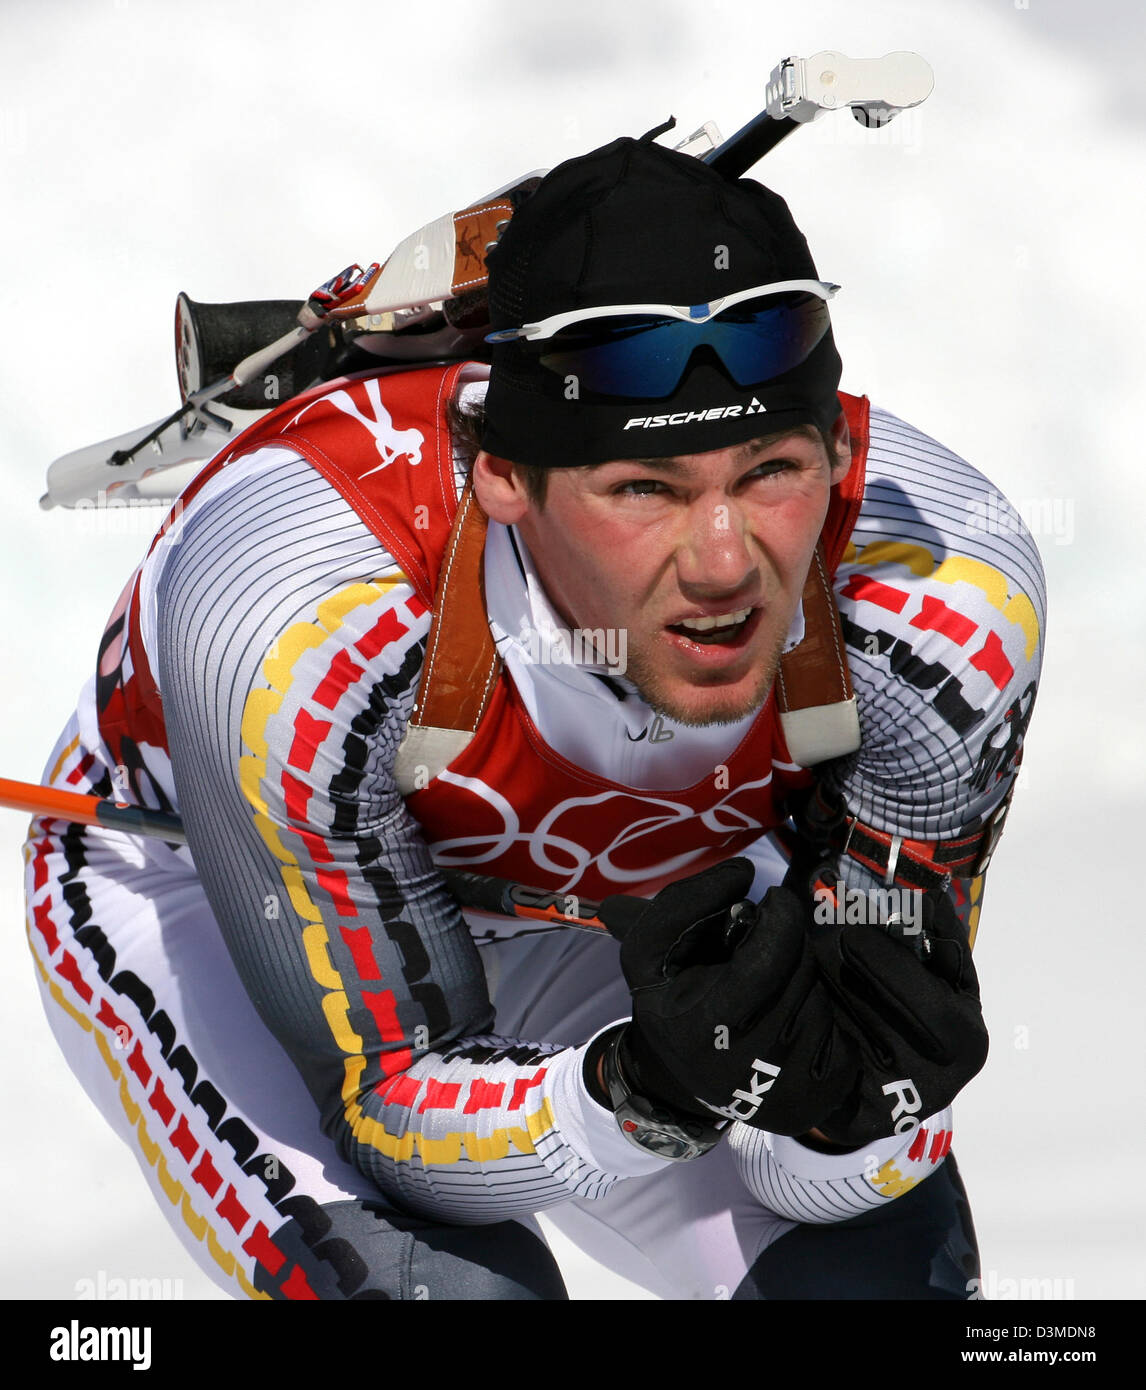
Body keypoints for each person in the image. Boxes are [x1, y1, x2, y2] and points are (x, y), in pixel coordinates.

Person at [23, 132, 1044, 1300]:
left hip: (622, 906)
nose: (726, 564)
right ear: (499, 474)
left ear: (840, 443)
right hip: (224, 889)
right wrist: (632, 1095)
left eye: (771, 471)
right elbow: (388, 1100)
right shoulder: (299, 614)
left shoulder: (945, 597)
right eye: (644, 490)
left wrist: (857, 1115)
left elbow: (835, 1137)